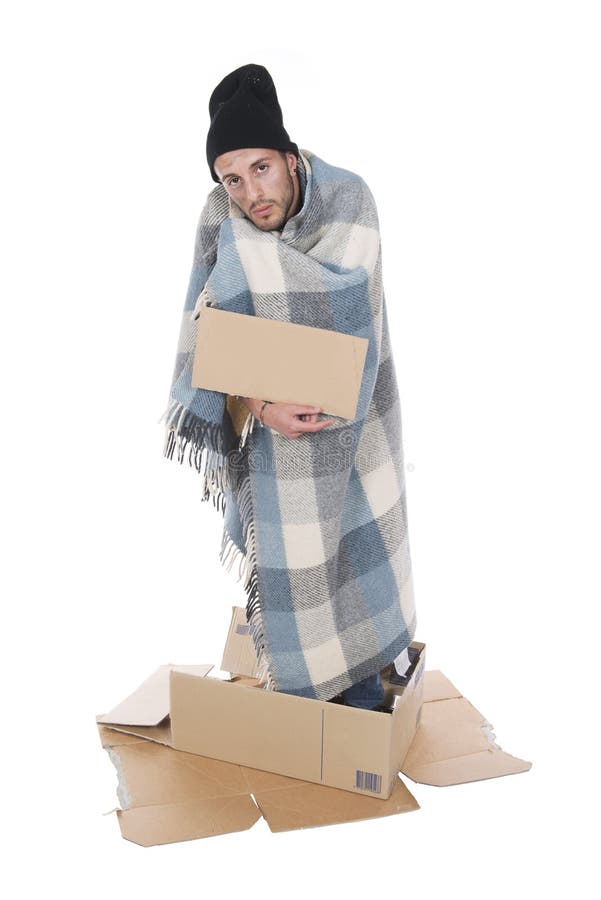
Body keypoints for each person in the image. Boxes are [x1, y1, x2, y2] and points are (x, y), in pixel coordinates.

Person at [161, 63, 416, 711]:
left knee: (355, 554)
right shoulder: (223, 222)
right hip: (272, 434)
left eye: (261, 168)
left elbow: (353, 313)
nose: (250, 192)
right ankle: (308, 704)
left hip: (357, 419)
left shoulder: (350, 200)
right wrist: (260, 404)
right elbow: (212, 336)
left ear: (291, 158)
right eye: (231, 178)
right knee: (297, 566)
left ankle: (362, 695)